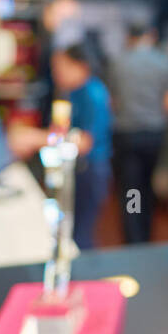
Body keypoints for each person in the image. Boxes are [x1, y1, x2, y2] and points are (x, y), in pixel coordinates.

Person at [109, 23, 168, 244]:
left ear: (129, 37)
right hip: (154, 135)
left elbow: (112, 103)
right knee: (148, 187)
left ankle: (133, 238)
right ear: (152, 35)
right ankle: (146, 236)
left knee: (132, 189)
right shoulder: (165, 63)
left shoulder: (117, 63)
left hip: (127, 135)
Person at [49, 44, 113, 252]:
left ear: (81, 67)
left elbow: (85, 142)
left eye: (62, 68)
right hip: (79, 168)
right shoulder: (72, 92)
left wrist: (38, 139)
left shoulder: (93, 93)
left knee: (81, 235)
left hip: (91, 171)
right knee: (70, 230)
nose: (56, 74)